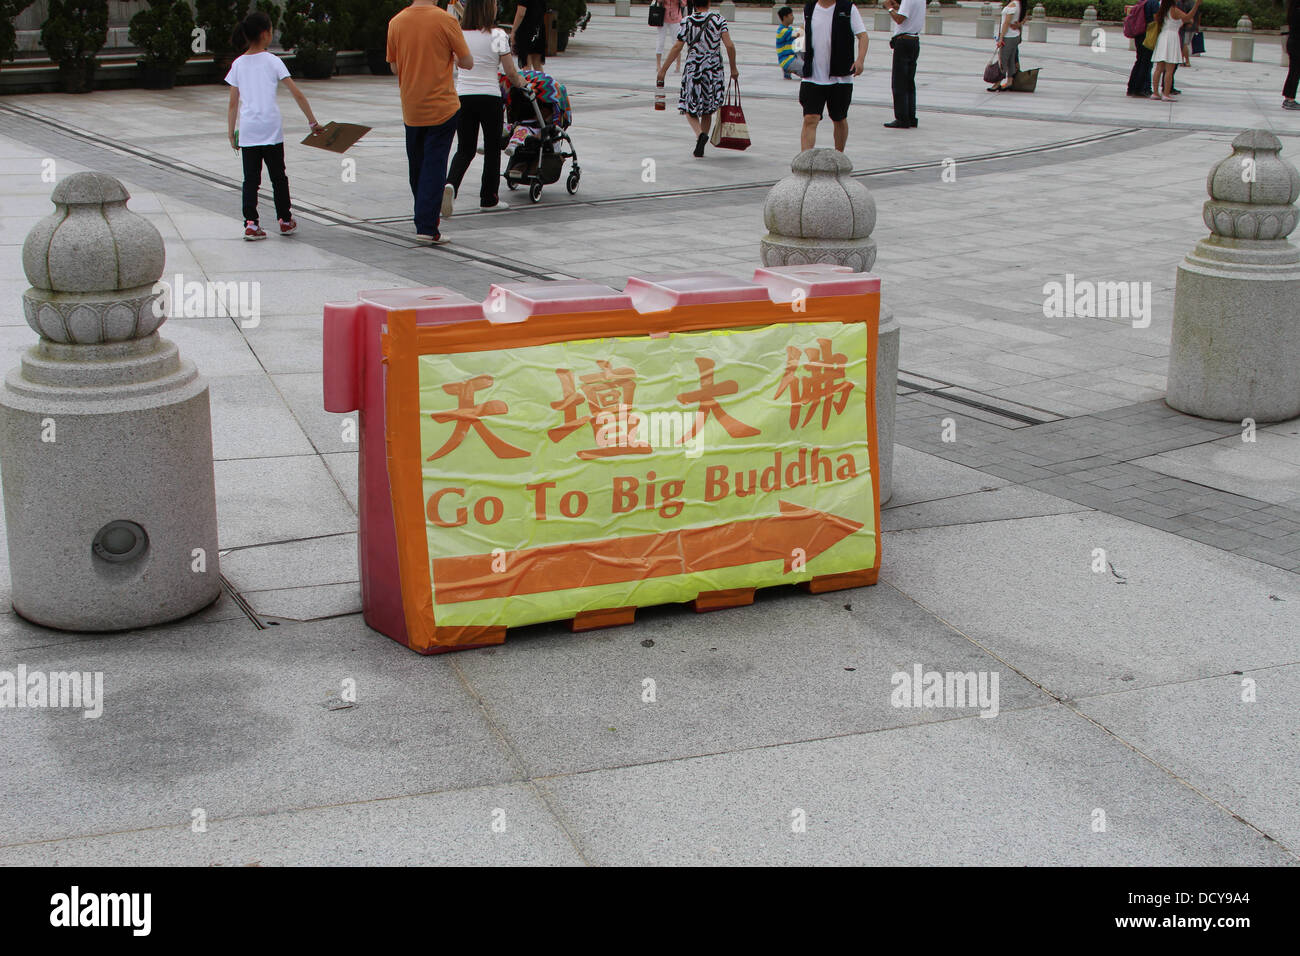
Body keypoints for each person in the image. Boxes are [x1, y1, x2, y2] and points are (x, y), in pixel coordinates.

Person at [225, 11, 322, 241]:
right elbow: (297, 94)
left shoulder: (238, 64)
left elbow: (232, 103)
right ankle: (285, 220)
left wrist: (231, 134)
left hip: (248, 131)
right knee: (279, 177)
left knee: (251, 180)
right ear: (265, 34)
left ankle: (251, 223)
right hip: (271, 131)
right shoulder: (273, 61)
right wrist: (312, 122)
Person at [387, 0, 472, 245]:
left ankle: (423, 217)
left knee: (418, 166)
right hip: (441, 106)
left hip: (412, 107)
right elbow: (467, 62)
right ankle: (427, 226)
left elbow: (394, 66)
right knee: (434, 165)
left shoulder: (396, 22)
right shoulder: (446, 20)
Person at [447, 0, 526, 210]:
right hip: (490, 97)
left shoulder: (459, 33)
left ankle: (450, 185)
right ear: (488, 8)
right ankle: (489, 198)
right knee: (492, 149)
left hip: (463, 96)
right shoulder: (498, 35)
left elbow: (456, 61)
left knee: (465, 149)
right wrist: (521, 82)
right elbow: (510, 71)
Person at [657, 0, 739, 158]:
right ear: (709, 2)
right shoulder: (718, 19)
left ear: (693, 3)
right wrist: (734, 69)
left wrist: (663, 70)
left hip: (694, 68)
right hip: (714, 70)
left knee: (689, 107)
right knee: (707, 109)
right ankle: (701, 142)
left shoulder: (687, 21)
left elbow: (677, 47)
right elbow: (729, 45)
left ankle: (699, 135)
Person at [798, 0, 867, 148]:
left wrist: (860, 60)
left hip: (840, 77)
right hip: (812, 76)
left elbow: (863, 36)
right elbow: (804, 31)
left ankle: (839, 157)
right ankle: (805, 162)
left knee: (839, 118)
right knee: (810, 118)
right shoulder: (809, 8)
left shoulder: (848, 9)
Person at [883, 0, 923, 129]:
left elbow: (899, 19)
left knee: (899, 82)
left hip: (904, 42)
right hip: (914, 41)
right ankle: (911, 117)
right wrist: (899, 7)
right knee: (909, 83)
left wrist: (890, 9)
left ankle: (902, 118)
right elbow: (909, 15)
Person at [1151, 0, 1197, 102]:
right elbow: (1188, 18)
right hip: (1172, 37)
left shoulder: (1162, 10)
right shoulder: (1174, 10)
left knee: (1159, 68)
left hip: (1163, 36)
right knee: (1169, 69)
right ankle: (1166, 93)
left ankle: (1155, 92)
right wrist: (1196, 6)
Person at [1125, 0, 1159, 97]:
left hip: (1139, 34)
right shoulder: (1154, 3)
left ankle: (1131, 88)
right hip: (1148, 35)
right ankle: (1140, 89)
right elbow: (1157, 18)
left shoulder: (1142, 2)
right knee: (1146, 63)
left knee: (1139, 61)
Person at [989, 0, 1025, 92]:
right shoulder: (1020, 4)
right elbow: (1024, 17)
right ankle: (1009, 81)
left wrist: (1001, 38)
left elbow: (1006, 23)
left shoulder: (1013, 4)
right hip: (1015, 35)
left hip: (1008, 36)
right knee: (1011, 60)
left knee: (1003, 59)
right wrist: (1019, 24)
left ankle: (997, 83)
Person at [512, 0, 547, 71]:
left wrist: (514, 31)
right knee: (537, 64)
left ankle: (528, 81)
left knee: (526, 64)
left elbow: (521, 13)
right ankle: (542, 81)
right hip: (539, 30)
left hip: (526, 30)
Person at [657, 0, 685, 76]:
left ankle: (678, 64)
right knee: (660, 41)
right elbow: (658, 1)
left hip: (676, 18)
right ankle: (658, 65)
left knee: (676, 42)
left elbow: (683, 3)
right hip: (662, 17)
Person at [776, 6, 804, 81]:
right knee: (807, 71)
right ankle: (787, 68)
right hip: (786, 59)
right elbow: (798, 33)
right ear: (785, 17)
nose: (793, 17)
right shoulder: (781, 31)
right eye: (791, 15)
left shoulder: (789, 29)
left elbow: (800, 32)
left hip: (793, 56)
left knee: (806, 52)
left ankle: (787, 70)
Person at [1284, 0, 1300, 109]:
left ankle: (1288, 98)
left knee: (1293, 71)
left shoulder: (1292, 9)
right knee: (1295, 71)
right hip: (1297, 43)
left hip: (1293, 41)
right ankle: (1290, 99)